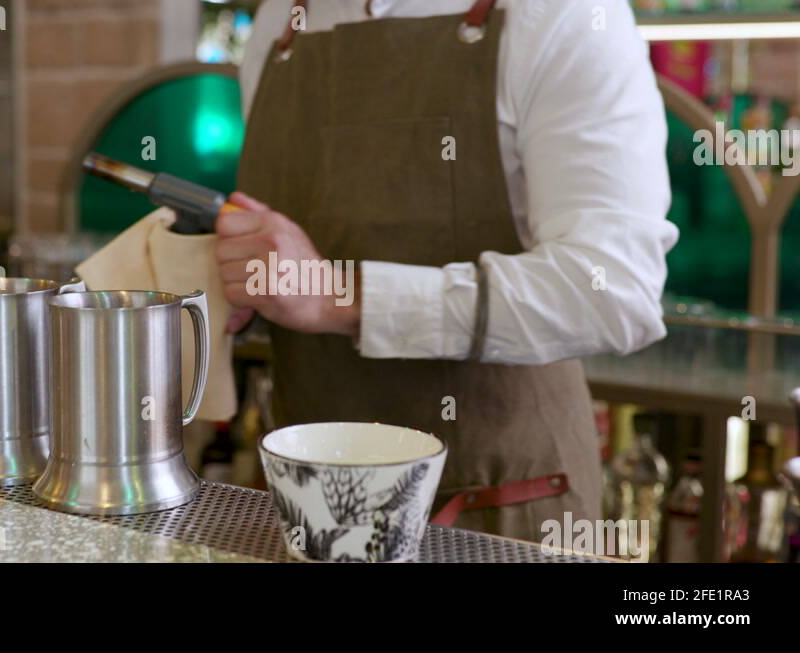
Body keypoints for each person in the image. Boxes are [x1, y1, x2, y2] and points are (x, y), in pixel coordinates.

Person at [214, 0, 678, 541]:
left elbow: (615, 289)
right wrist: (239, 287)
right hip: (312, 508)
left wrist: (341, 296)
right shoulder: (282, 22)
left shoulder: (563, 12)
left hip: (501, 509)